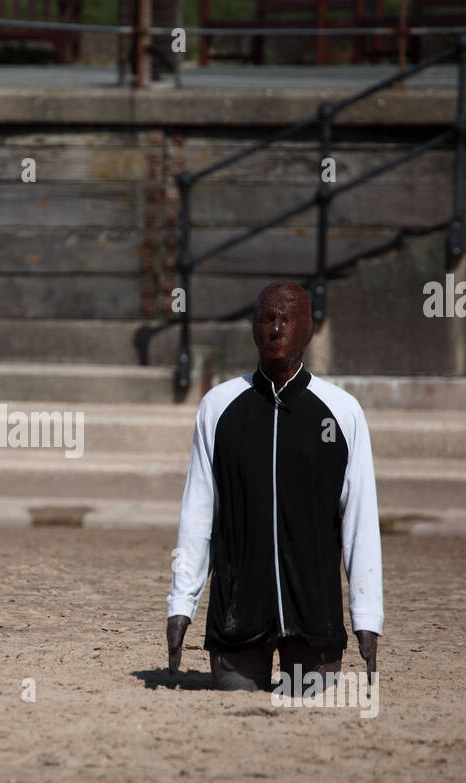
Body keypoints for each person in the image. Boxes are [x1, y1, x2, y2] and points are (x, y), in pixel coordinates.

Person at [164, 280, 383, 691]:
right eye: (267, 318)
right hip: (236, 612)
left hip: (314, 616)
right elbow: (197, 514)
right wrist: (181, 606)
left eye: (286, 319)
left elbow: (360, 521)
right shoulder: (219, 407)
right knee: (234, 693)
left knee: (310, 692)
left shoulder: (341, 414)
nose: (275, 329)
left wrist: (367, 618)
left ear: (308, 330)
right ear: (253, 328)